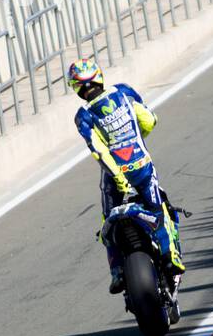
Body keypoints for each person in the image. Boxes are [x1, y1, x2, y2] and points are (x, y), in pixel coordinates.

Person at [68, 58, 184, 294]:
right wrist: (135, 139)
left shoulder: (83, 116)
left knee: (107, 222)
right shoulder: (124, 92)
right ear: (99, 76)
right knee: (158, 209)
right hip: (142, 165)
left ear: (76, 87)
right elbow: (149, 120)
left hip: (114, 178)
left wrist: (119, 177)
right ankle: (171, 257)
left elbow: (98, 151)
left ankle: (118, 271)